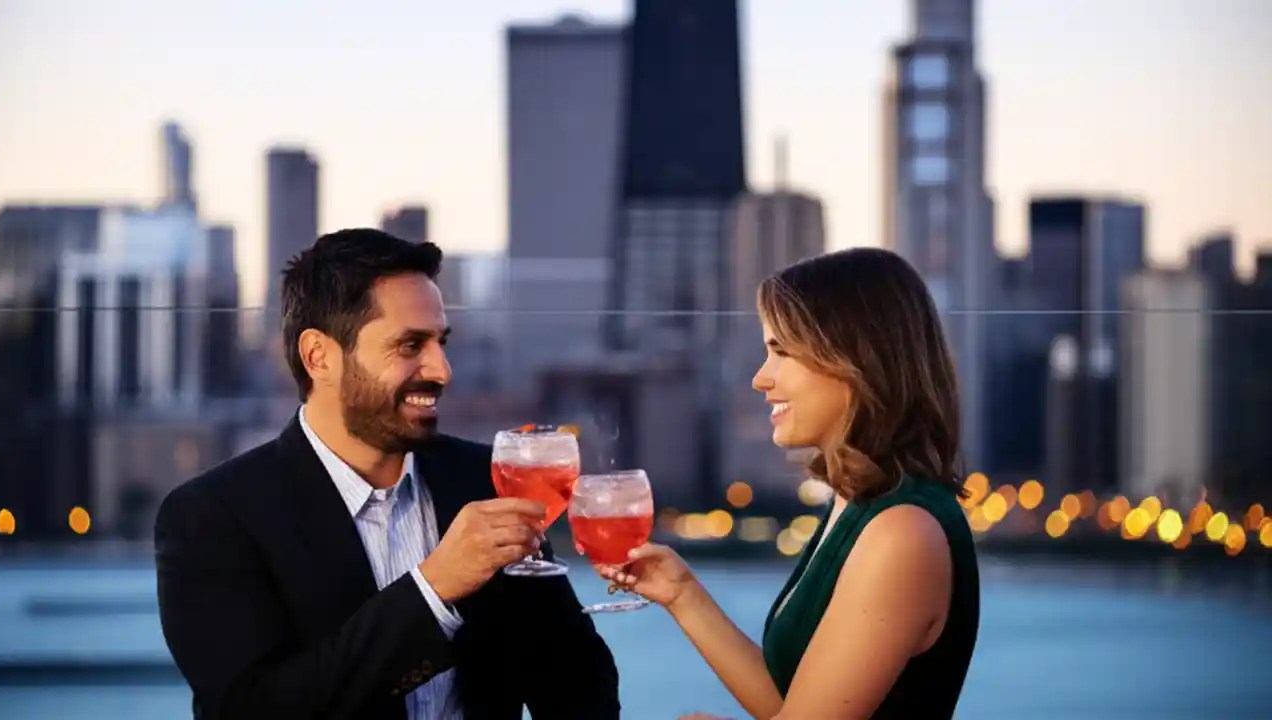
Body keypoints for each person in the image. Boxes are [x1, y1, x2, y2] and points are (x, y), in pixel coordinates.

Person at [155, 228, 619, 719]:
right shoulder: (211, 517)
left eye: (441, 343)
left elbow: (581, 692)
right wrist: (434, 588)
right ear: (320, 357)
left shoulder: (489, 481)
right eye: (410, 345)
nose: (441, 369)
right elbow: (252, 710)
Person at [602, 248, 980, 719]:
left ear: (853, 359)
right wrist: (683, 595)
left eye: (781, 352)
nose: (762, 378)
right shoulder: (859, 503)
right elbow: (797, 701)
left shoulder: (901, 532)